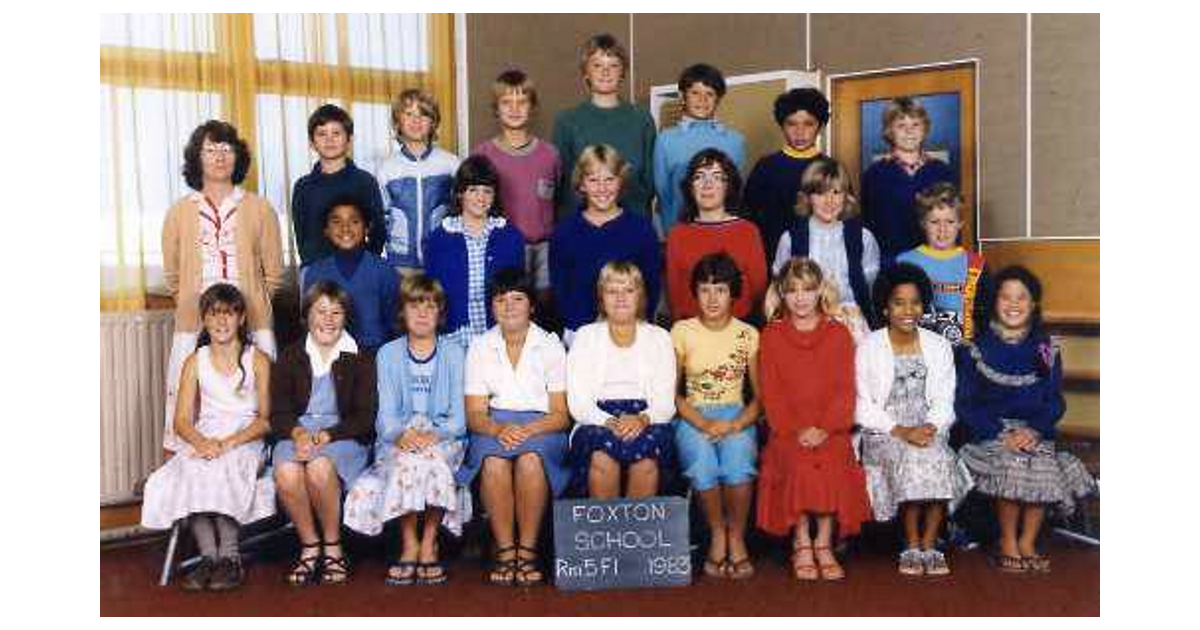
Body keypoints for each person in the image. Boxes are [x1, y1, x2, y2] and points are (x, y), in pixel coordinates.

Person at [954, 265, 1096, 574]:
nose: (1013, 304)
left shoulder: (1045, 348)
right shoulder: (975, 348)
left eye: (1022, 298)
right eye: (1005, 297)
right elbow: (965, 404)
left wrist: (1034, 430)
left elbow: (1054, 400)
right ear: (994, 302)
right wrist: (1000, 433)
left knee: (1042, 460)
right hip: (990, 433)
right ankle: (1008, 540)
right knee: (1013, 461)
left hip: (1035, 431)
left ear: (1033, 305)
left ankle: (1028, 541)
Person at [161, 120, 284, 455]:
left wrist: (250, 309)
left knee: (260, 404)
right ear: (196, 158)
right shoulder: (178, 212)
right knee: (184, 402)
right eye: (211, 149)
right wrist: (196, 308)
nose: (219, 156)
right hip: (192, 322)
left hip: (253, 322)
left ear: (238, 157)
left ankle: (258, 480)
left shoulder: (260, 208)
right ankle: (182, 483)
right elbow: (173, 277)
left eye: (227, 149)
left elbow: (273, 274)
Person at [140, 284, 274, 591]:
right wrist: (202, 444)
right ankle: (209, 556)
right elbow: (182, 420)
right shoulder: (195, 360)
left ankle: (229, 557)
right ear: (204, 319)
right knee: (191, 468)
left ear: (241, 318)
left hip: (244, 436)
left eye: (229, 314)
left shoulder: (257, 359)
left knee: (225, 466)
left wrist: (227, 444)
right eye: (214, 315)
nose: (221, 322)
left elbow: (265, 420)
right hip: (207, 433)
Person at [343, 275, 471, 586]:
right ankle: (409, 543)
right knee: (406, 461)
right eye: (415, 306)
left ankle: (428, 543)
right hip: (399, 435)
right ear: (402, 312)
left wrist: (433, 436)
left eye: (430, 306)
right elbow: (385, 417)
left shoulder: (454, 352)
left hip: (444, 436)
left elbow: (458, 419)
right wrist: (402, 435)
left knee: (433, 459)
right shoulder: (387, 353)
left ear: (440, 313)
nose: (423, 313)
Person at [757, 258, 870, 582]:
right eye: (792, 290)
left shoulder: (837, 334)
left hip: (830, 427)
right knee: (799, 461)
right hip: (788, 428)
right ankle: (801, 541)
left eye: (807, 289)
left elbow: (844, 389)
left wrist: (825, 427)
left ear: (820, 290)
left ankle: (824, 541)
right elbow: (772, 391)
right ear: (781, 293)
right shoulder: (772, 335)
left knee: (830, 459)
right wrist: (795, 429)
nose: (800, 297)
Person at [856, 263, 973, 577]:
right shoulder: (869, 346)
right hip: (885, 430)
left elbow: (946, 400)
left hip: (928, 426)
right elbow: (862, 404)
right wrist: (901, 430)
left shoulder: (939, 346)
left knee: (934, 455)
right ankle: (910, 544)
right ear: (884, 307)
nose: (908, 310)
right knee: (911, 457)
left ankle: (930, 544)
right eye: (898, 302)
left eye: (915, 302)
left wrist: (930, 427)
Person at [459, 268, 570, 586]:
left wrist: (529, 431)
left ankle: (528, 551)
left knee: (530, 461)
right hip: (493, 424)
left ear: (532, 305)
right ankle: (506, 551)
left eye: (518, 299)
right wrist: (497, 430)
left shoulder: (550, 345)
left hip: (543, 425)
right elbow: (475, 414)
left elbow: (561, 414)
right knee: (493, 463)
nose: (509, 306)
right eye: (500, 299)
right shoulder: (480, 346)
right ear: (491, 306)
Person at [270, 281, 376, 586]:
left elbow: (364, 417)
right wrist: (299, 433)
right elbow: (279, 412)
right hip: (299, 432)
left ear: (346, 317)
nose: (328, 319)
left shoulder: (361, 357)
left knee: (318, 468)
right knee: (288, 472)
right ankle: (309, 545)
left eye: (336, 312)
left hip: (342, 437)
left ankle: (333, 545)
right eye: (321, 311)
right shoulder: (290, 356)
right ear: (307, 316)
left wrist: (326, 436)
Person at [671, 253, 761, 580]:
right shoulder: (681, 331)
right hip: (694, 414)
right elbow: (674, 393)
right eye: (705, 289)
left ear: (732, 292)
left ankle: (736, 534)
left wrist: (735, 423)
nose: (712, 298)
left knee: (738, 462)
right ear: (695, 292)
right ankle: (716, 532)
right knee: (703, 463)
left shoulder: (748, 334)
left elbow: (759, 400)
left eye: (720, 290)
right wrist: (703, 422)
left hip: (735, 412)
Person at [566, 261, 677, 498]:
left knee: (645, 460)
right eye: (612, 291)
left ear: (641, 295)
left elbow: (666, 402)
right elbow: (578, 403)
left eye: (628, 290)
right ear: (601, 297)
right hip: (596, 418)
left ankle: (635, 535)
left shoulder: (660, 337)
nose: (621, 298)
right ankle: (605, 535)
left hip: (648, 416)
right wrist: (610, 422)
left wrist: (642, 419)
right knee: (603, 457)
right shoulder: (585, 336)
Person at [549, 144, 660, 345]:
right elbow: (560, 287)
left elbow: (651, 286)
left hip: (630, 331)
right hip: (579, 331)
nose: (602, 188)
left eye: (610, 179)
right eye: (593, 180)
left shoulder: (641, 230)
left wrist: (640, 326)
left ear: (620, 181)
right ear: (581, 184)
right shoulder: (564, 232)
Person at [472, 69, 562, 309]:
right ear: (496, 108)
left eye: (521, 102)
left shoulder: (550, 155)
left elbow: (560, 203)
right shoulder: (483, 154)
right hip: (500, 246)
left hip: (544, 250)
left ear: (532, 107)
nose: (514, 109)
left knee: (543, 311)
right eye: (506, 102)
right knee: (508, 309)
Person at [424, 155, 525, 349]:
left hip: (499, 334)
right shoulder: (439, 239)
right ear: (460, 193)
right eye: (473, 190)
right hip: (454, 336)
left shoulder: (510, 237)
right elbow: (432, 295)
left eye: (487, 191)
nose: (481, 198)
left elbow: (517, 291)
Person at [552, 33, 656, 218]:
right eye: (597, 65)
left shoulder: (642, 119)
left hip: (633, 226)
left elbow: (650, 182)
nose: (605, 72)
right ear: (586, 72)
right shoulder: (567, 121)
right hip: (583, 229)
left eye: (613, 65)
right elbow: (563, 187)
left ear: (623, 71)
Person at [772, 156, 881, 329]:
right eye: (820, 193)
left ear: (846, 196)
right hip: (805, 321)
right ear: (807, 197)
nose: (829, 201)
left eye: (836, 192)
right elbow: (780, 290)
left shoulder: (863, 238)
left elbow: (871, 290)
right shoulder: (791, 239)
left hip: (852, 321)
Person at [664, 148, 767, 323]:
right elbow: (674, 296)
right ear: (690, 186)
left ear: (728, 186)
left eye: (717, 177)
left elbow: (759, 291)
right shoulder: (678, 234)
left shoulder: (748, 231)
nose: (707, 184)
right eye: (699, 177)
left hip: (740, 328)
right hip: (692, 332)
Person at [860, 96, 957, 266]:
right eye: (901, 126)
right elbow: (867, 227)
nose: (909, 131)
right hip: (890, 263)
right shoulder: (874, 174)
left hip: (934, 262)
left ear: (925, 128)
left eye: (915, 125)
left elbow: (953, 220)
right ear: (890, 131)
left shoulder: (942, 171)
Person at [652, 63, 747, 235]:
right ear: (683, 95)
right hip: (679, 230)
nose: (702, 100)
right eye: (695, 93)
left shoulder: (735, 141)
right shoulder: (665, 140)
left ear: (718, 98)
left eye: (709, 94)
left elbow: (735, 193)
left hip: (724, 232)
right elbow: (663, 194)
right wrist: (671, 233)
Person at [291, 104, 386, 272]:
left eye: (336, 133)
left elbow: (377, 230)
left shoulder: (364, 182)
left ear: (349, 140)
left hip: (359, 269)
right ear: (312, 143)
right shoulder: (303, 187)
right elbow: (301, 235)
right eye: (322, 134)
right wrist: (311, 267)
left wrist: (367, 265)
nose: (329, 140)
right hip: (316, 271)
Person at [376, 89, 460, 274]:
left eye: (423, 114)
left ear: (434, 122)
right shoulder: (387, 168)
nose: (416, 120)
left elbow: (461, 212)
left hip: (442, 257)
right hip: (400, 263)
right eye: (409, 114)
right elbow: (381, 218)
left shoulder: (451, 164)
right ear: (398, 122)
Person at [301, 195, 400, 353]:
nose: (345, 228)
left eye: (354, 221)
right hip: (330, 356)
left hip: (375, 356)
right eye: (336, 222)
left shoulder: (384, 271)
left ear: (367, 228)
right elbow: (311, 324)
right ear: (326, 230)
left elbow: (394, 325)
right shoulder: (315, 272)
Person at [744, 87, 830, 265]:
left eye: (808, 124)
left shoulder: (831, 168)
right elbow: (748, 221)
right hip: (772, 261)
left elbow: (845, 220)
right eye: (792, 124)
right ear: (782, 125)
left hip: (821, 261)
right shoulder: (765, 167)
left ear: (820, 127)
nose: (800, 132)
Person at [895, 182, 988, 344]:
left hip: (963, 350)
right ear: (923, 223)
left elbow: (986, 310)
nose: (942, 229)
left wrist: (977, 325)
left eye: (950, 222)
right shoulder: (904, 262)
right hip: (916, 346)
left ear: (960, 224)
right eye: (934, 222)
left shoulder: (975, 264)